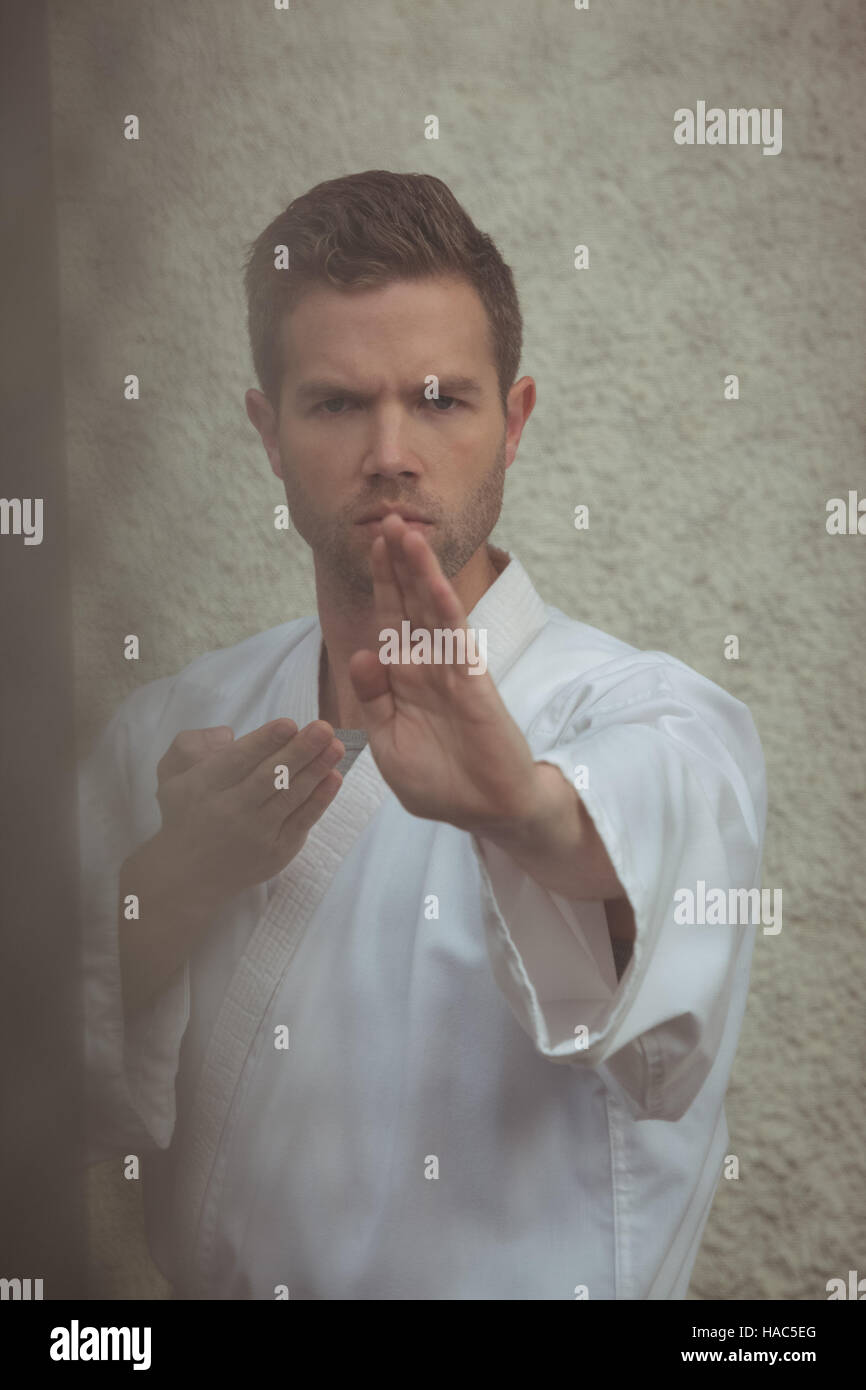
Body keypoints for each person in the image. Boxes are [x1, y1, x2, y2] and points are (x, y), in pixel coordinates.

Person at [79, 169, 766, 1300]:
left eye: (441, 398)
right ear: (266, 429)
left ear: (515, 423)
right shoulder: (174, 729)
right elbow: (51, 1079)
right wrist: (169, 883)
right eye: (336, 402)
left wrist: (523, 808)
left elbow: (660, 882)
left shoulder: (651, 717)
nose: (389, 449)